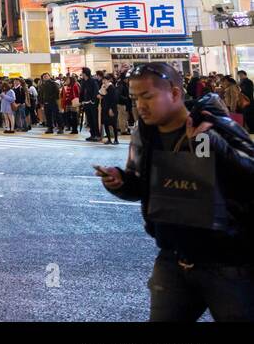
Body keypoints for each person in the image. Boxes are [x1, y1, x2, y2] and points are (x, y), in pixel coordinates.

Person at [96, 61, 254, 321]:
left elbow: (248, 174)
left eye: (148, 96)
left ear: (175, 94)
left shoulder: (209, 125)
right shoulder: (146, 135)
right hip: (173, 259)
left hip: (228, 263)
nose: (140, 106)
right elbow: (140, 185)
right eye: (136, 98)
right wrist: (120, 181)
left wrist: (216, 146)